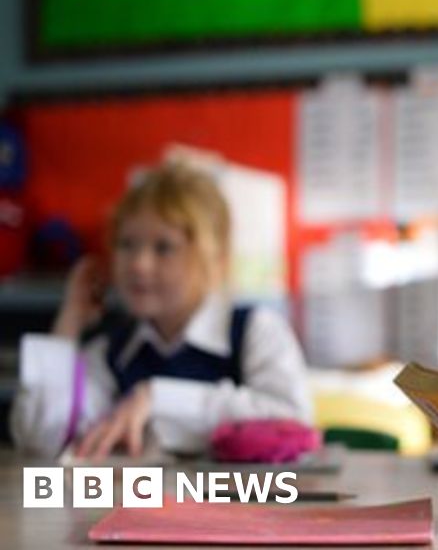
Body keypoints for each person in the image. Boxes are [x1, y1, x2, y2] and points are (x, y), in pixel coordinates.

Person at [11, 162, 312, 460]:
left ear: (213, 257)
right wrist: (70, 322)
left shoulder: (255, 331)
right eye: (127, 244)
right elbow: (40, 439)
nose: (139, 264)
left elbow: (293, 422)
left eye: (164, 247)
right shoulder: (113, 351)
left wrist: (157, 398)